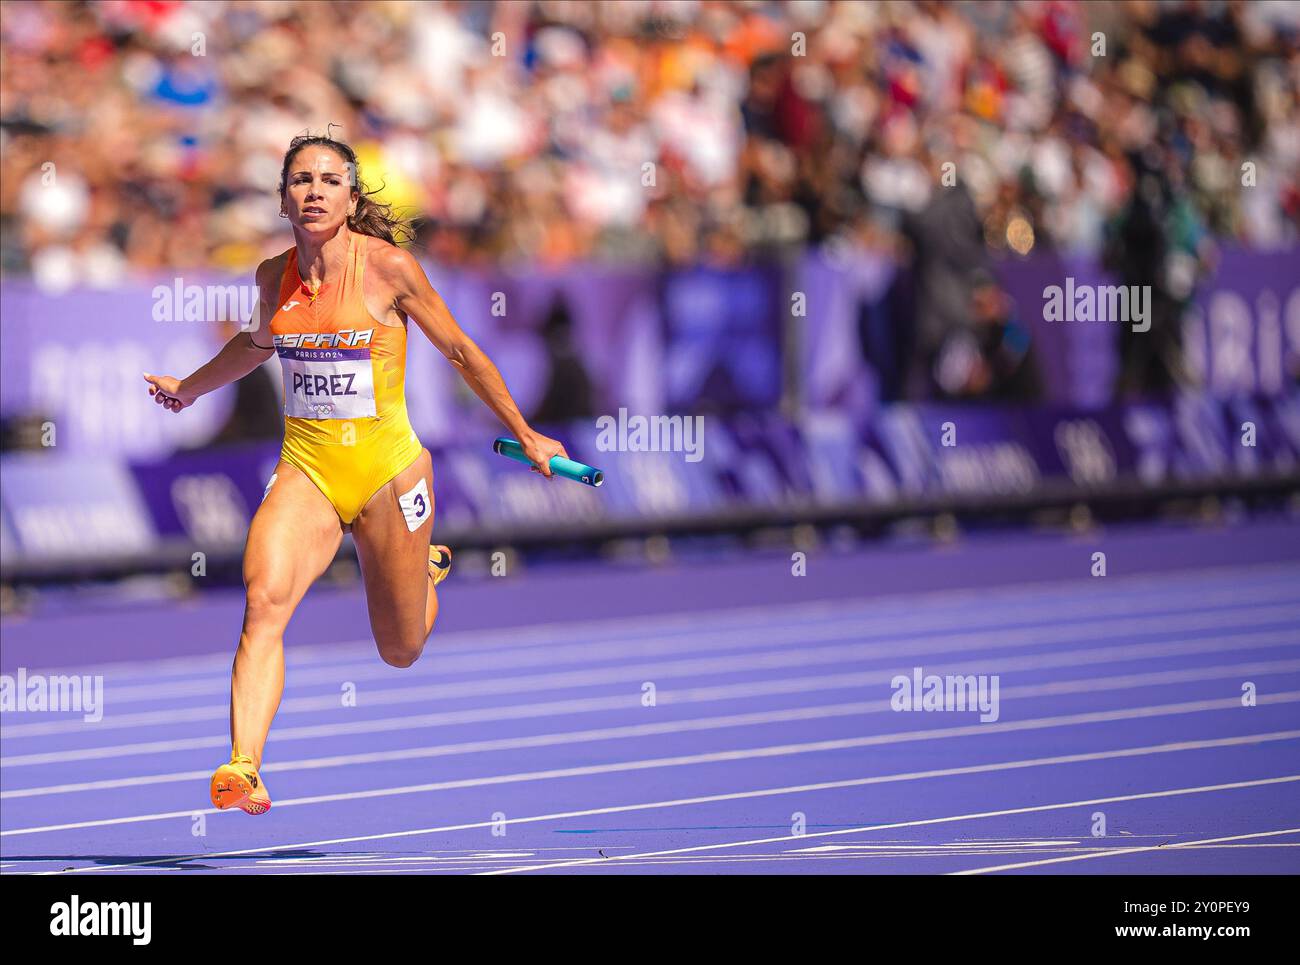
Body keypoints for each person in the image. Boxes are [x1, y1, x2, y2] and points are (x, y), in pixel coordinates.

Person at [143, 134, 569, 815]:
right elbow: (255, 346)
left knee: (399, 649)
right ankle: (245, 764)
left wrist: (527, 434)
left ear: (351, 197)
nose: (314, 191)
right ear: (282, 197)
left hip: (389, 474)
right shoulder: (270, 277)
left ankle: (423, 569)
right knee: (263, 603)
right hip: (307, 470)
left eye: (328, 180)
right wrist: (190, 390)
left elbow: (460, 349)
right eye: (300, 180)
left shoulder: (388, 269)